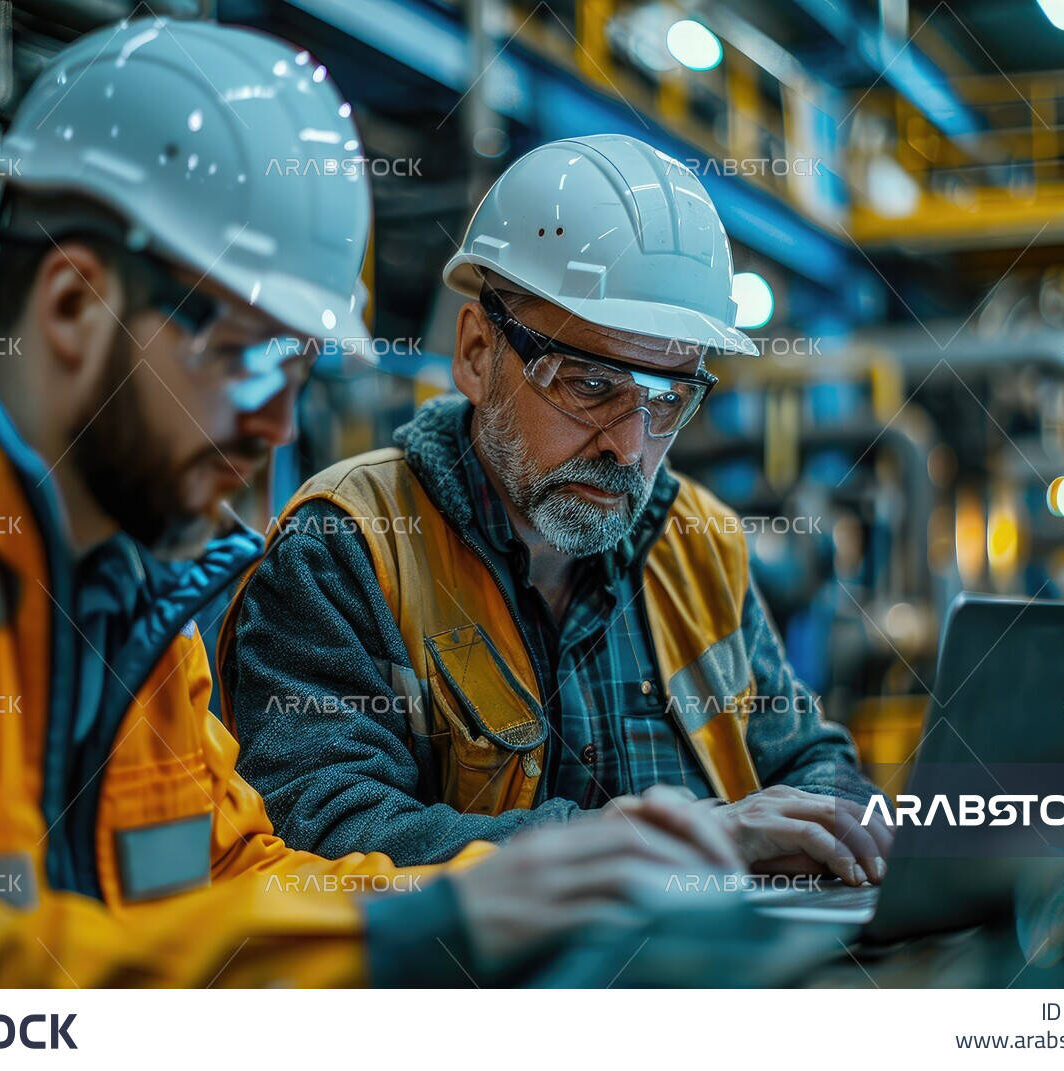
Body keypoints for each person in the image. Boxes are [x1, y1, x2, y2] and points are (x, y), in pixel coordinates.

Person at [0, 19, 744, 989]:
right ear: (74, 306)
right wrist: (429, 931)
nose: (277, 425)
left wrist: (510, 887)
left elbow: (236, 880)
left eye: (300, 371)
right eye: (248, 359)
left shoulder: (135, 602)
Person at [222, 133, 892, 880]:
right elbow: (323, 834)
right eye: (592, 386)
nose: (629, 447)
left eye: (669, 400)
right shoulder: (348, 548)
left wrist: (843, 820)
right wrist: (636, 846)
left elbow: (805, 754)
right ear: (477, 353)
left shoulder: (700, 544)